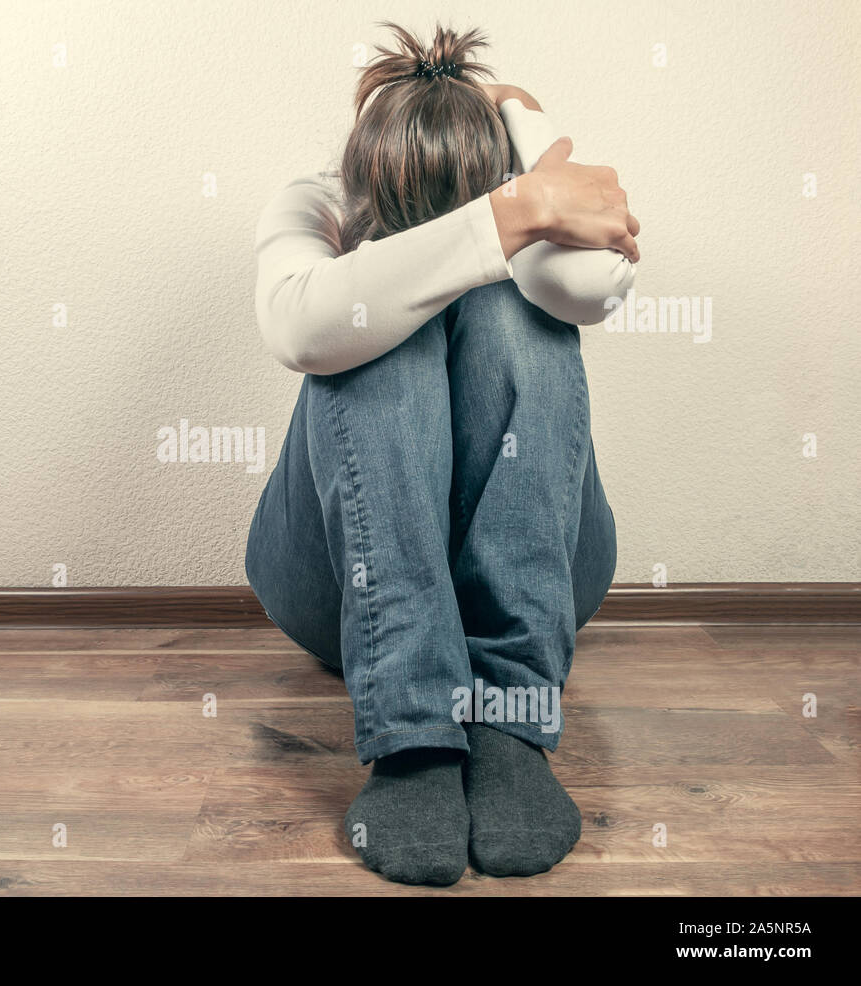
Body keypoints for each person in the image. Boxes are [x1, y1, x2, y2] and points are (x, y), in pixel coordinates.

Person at [244, 21, 640, 886]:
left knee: (519, 308)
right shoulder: (316, 198)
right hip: (336, 591)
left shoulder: (530, 182)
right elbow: (298, 329)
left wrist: (521, 125)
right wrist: (506, 217)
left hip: (550, 580)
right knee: (364, 320)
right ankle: (413, 734)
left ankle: (507, 718)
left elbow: (583, 288)